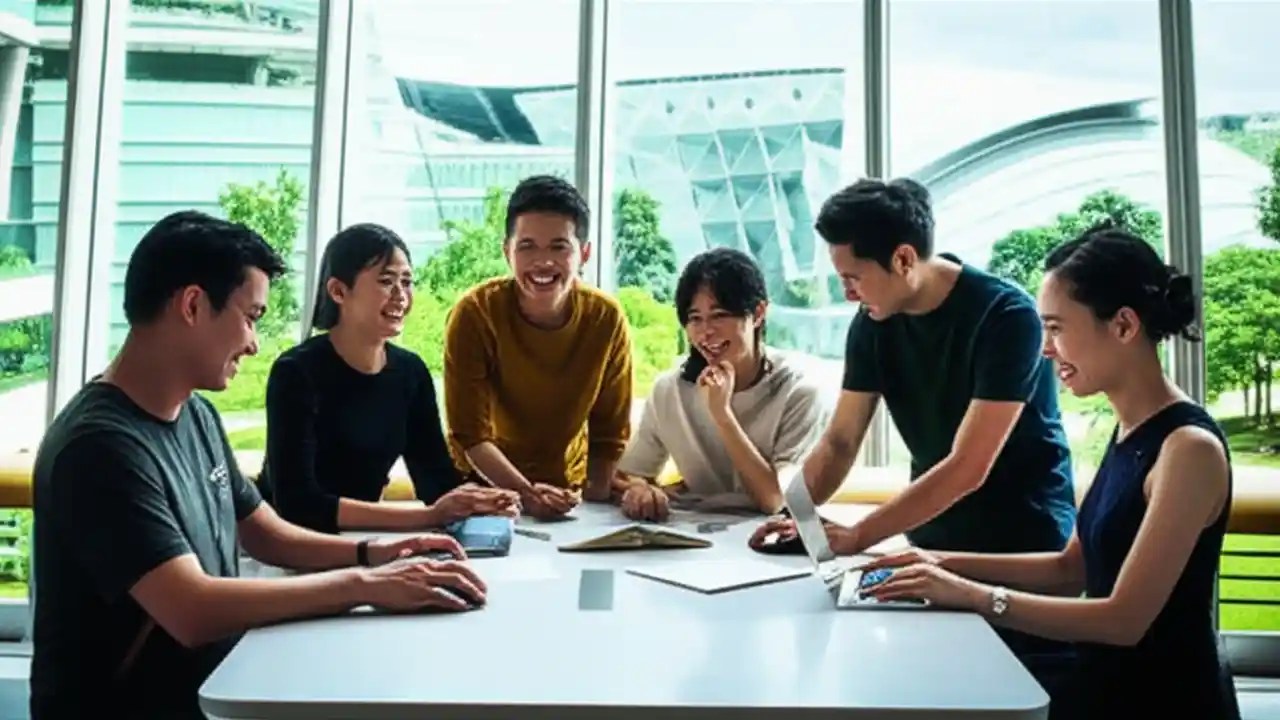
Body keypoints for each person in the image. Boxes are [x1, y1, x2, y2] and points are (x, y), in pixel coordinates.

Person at [30, 211, 487, 720]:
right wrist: (367, 586)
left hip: (218, 685)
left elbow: (268, 534)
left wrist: (379, 554)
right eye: (251, 317)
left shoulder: (195, 414)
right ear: (193, 305)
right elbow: (192, 608)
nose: (253, 343)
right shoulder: (98, 447)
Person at [860, 224, 1240, 719]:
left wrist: (974, 596)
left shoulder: (1188, 450)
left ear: (1123, 326)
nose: (1045, 348)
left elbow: (1125, 619)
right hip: (1104, 680)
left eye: (1057, 329)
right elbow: (1069, 570)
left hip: (1158, 702)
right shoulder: (1132, 430)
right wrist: (935, 563)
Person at [747, 177, 1077, 675]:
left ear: (903, 259)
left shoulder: (1007, 316)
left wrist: (857, 537)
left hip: (1022, 548)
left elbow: (969, 466)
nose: (846, 290)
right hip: (933, 547)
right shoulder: (872, 324)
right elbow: (839, 442)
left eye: (853, 276)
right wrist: (793, 514)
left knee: (1009, 694)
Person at [260, 223, 518, 534]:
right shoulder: (296, 372)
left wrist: (491, 498)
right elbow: (298, 504)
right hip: (285, 547)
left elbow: (435, 481)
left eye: (407, 282)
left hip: (362, 540)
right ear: (338, 291)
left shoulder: (410, 372)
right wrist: (428, 517)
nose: (401, 296)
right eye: (386, 282)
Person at [444, 175, 633, 520]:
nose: (542, 262)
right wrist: (526, 495)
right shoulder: (475, 313)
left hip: (569, 495)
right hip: (482, 492)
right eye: (527, 246)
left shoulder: (604, 317)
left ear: (584, 253)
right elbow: (470, 435)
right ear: (507, 251)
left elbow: (610, 433)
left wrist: (594, 503)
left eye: (559, 247)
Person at [613, 247, 827, 520]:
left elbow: (774, 499)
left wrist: (721, 413)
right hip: (690, 529)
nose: (706, 332)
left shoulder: (800, 390)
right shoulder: (670, 390)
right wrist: (640, 490)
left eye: (720, 315)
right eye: (695, 319)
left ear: (759, 313)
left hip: (769, 535)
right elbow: (629, 475)